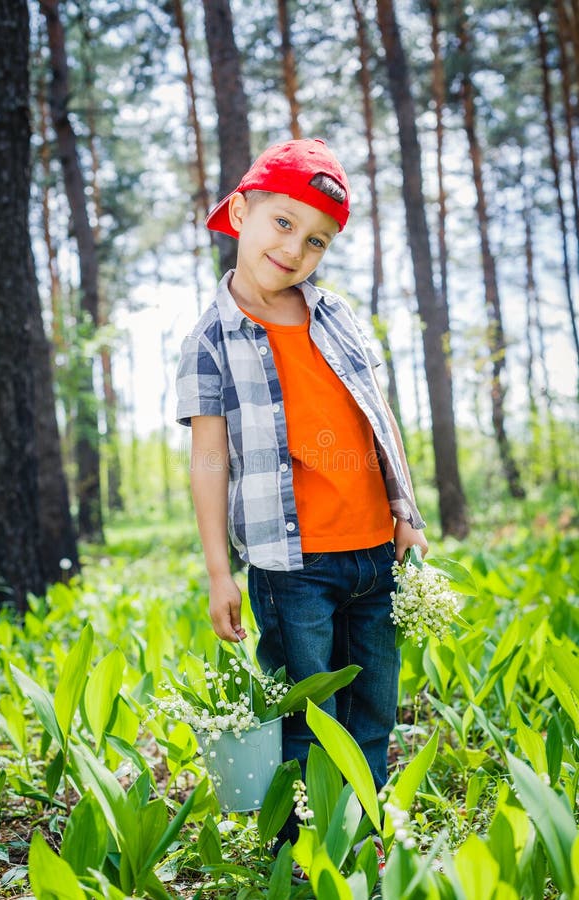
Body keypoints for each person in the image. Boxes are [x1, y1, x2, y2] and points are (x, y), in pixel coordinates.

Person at [175, 137, 428, 838]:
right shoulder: (210, 339)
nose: (294, 249)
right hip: (293, 568)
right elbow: (208, 461)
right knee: (306, 711)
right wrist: (219, 573)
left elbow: (378, 416)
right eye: (283, 223)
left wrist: (406, 513)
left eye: (316, 240)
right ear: (241, 212)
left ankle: (364, 833)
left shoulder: (336, 316)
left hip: (374, 553)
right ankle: (300, 844)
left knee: (373, 707)